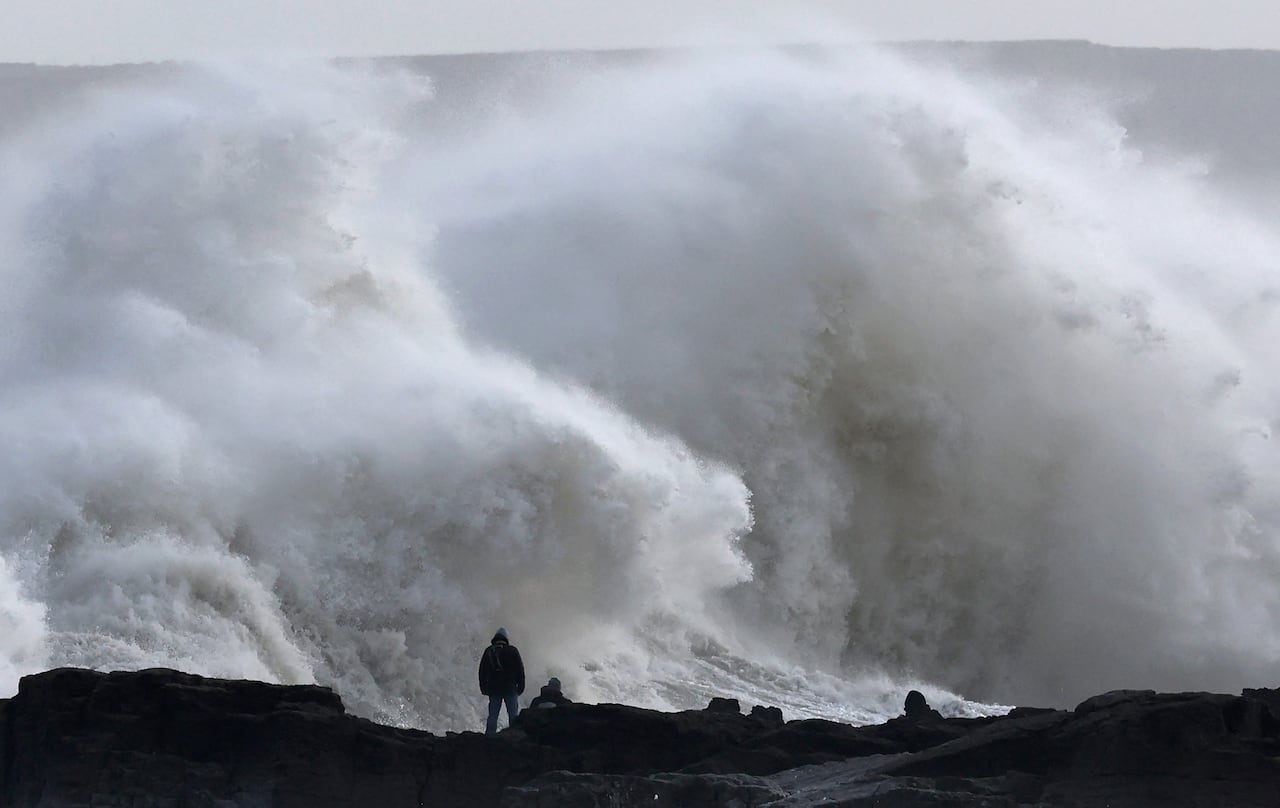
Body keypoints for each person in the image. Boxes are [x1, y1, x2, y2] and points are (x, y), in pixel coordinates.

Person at [478, 627, 525, 735]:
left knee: (493, 716)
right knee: (513, 715)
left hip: (494, 689)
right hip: (510, 688)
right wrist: (520, 687)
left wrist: (483, 688)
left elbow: (482, 671)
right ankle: (515, 736)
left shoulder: (489, 650)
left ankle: (489, 736)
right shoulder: (513, 650)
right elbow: (520, 670)